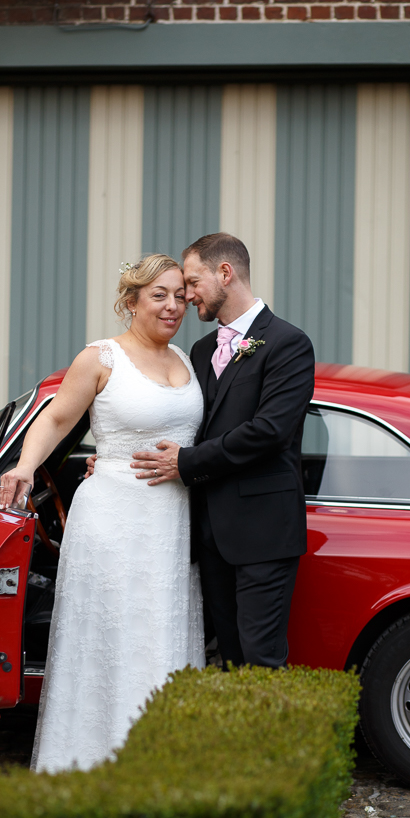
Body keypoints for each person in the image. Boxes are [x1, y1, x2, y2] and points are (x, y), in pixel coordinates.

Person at [0, 254, 205, 773]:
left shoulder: (186, 357)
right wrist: (25, 466)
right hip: (112, 518)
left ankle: (160, 760)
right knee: (113, 636)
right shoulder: (100, 357)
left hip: (172, 521)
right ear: (130, 301)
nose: (173, 305)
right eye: (159, 295)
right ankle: (94, 761)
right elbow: (56, 419)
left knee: (161, 633)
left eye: (180, 294)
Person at [129, 233, 315, 670]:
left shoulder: (288, 343)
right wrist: (121, 458)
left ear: (225, 274)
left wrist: (185, 463)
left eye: (192, 283)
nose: (186, 296)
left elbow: (269, 431)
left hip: (262, 533)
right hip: (206, 533)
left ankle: (269, 742)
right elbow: (181, 421)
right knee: (226, 658)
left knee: (260, 658)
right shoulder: (201, 349)